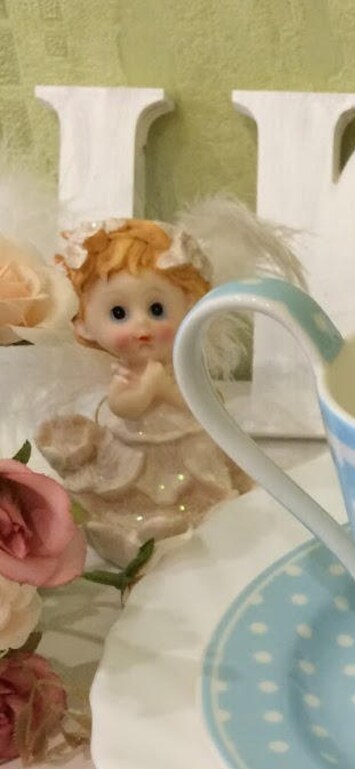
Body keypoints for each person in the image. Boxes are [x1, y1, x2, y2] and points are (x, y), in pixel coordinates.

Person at [35, 218, 255, 566]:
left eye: (156, 309)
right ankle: (141, 531)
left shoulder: (181, 372)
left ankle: (204, 519)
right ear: (85, 326)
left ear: (189, 307)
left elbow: (199, 406)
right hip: (133, 452)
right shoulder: (124, 375)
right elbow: (125, 408)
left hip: (187, 445)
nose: (141, 326)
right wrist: (149, 389)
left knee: (208, 485)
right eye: (119, 313)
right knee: (126, 490)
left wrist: (167, 389)